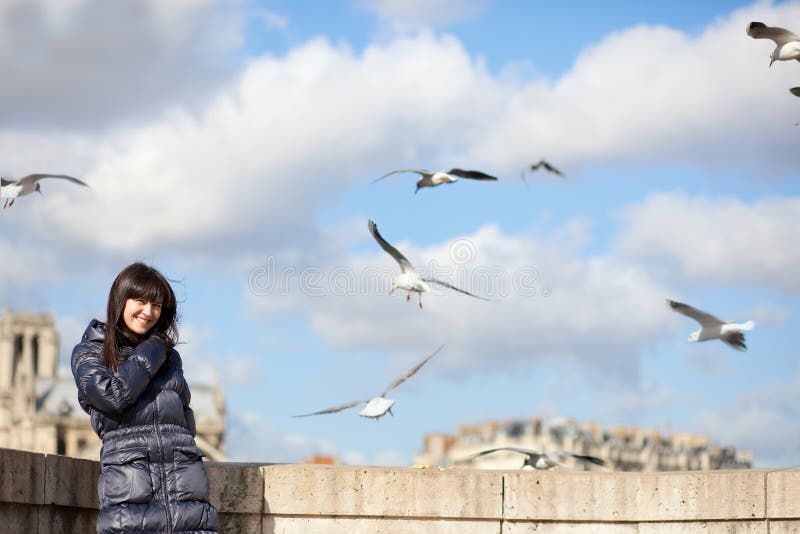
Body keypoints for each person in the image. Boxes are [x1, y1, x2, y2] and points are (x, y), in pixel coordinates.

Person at [71, 262, 220, 533]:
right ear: (120, 300)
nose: (148, 311)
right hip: (131, 507)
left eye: (157, 305)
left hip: (187, 506)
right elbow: (111, 396)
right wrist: (151, 350)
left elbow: (184, 420)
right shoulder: (91, 353)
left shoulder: (169, 357)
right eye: (140, 300)